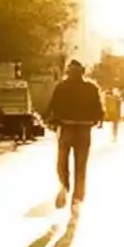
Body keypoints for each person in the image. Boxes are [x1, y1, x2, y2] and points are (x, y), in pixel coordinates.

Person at [46, 60, 104, 209]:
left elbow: (52, 107)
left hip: (67, 128)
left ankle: (65, 185)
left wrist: (51, 120)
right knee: (81, 165)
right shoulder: (91, 88)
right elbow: (99, 110)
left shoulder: (62, 87)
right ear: (82, 72)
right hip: (84, 129)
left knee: (62, 162)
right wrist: (96, 120)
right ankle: (78, 197)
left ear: (68, 72)